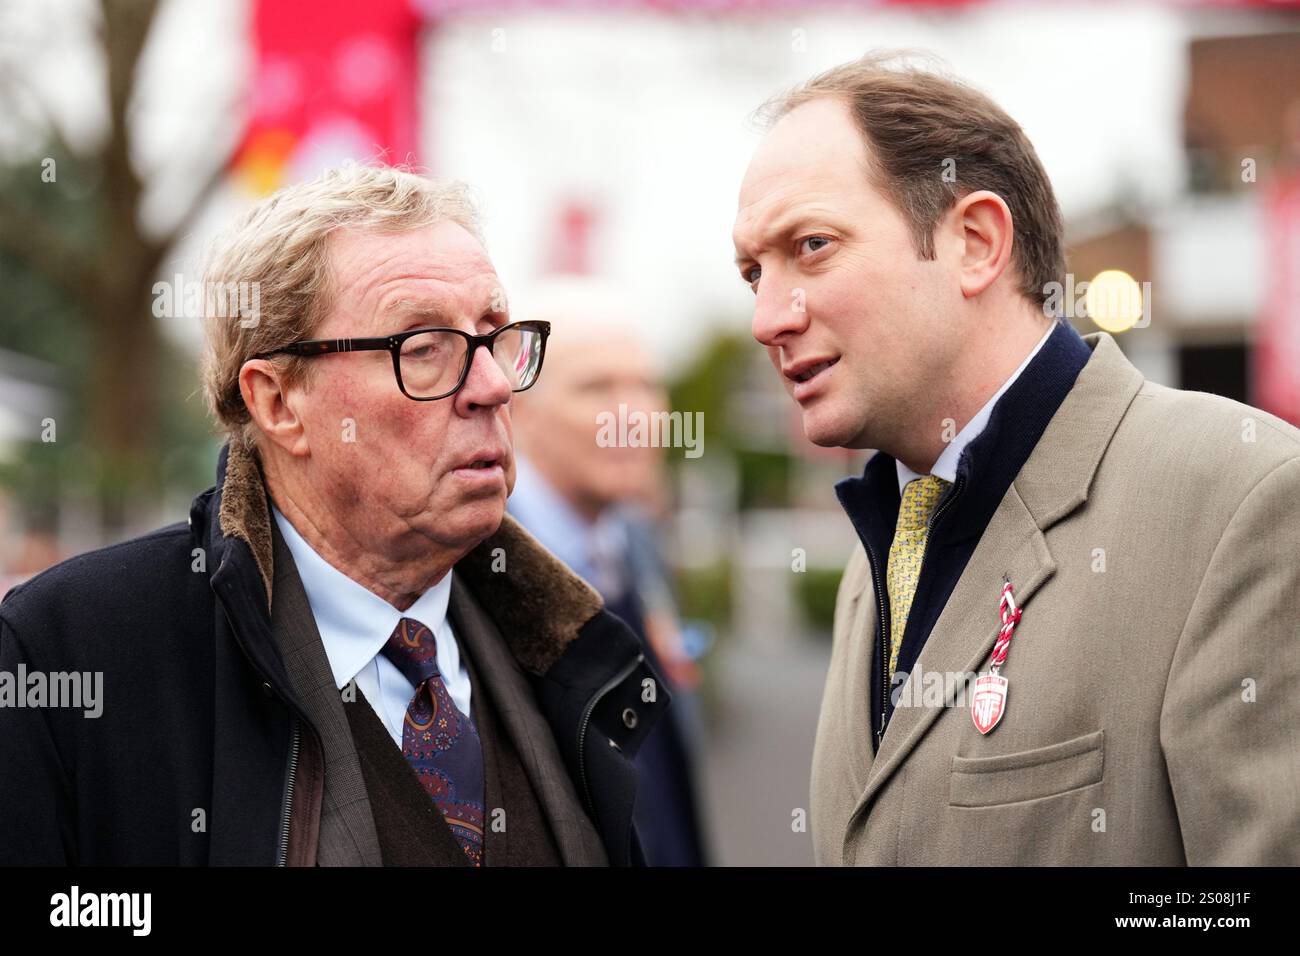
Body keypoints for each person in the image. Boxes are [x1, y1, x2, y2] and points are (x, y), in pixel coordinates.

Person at [0, 163, 669, 866]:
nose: (495, 385)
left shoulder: (568, 647)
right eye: (424, 348)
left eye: (493, 335)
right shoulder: (74, 654)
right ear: (279, 403)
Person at [731, 52, 1300, 865]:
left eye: (812, 246)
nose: (765, 316)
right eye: (753, 272)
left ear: (974, 241)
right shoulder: (884, 546)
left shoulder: (1243, 502)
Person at [507, 277, 710, 866]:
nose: (635, 415)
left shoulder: (634, 543)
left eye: (647, 386)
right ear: (518, 410)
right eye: (596, 388)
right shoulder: (481, 573)